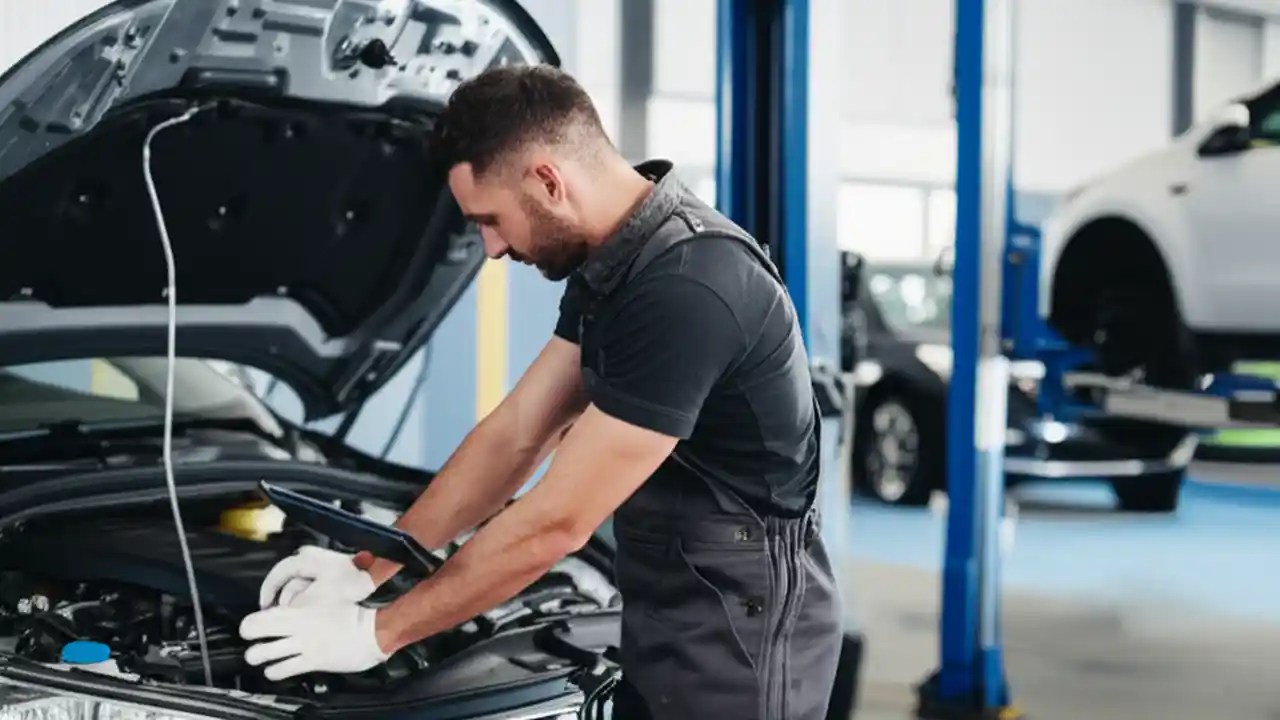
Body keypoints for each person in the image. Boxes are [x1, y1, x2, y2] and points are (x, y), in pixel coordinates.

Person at [238, 64, 843, 719]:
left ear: (549, 181)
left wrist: (377, 633)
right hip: (670, 619)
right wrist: (368, 567)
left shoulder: (690, 286)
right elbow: (517, 433)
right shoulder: (617, 262)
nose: (491, 247)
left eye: (491, 220)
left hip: (737, 653)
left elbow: (555, 522)